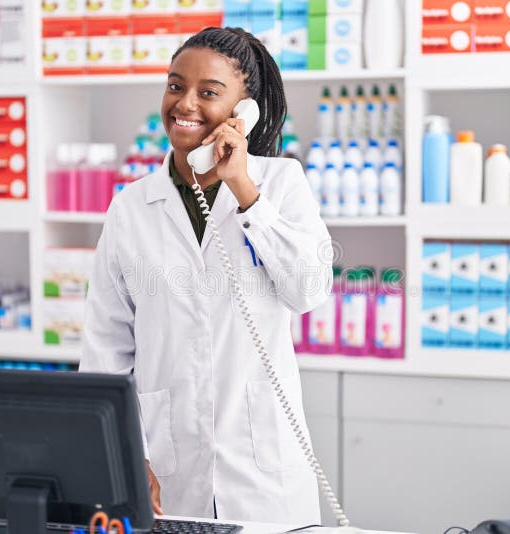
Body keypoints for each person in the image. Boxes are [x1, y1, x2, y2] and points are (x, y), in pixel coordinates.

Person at [80, 27, 332, 524]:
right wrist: (123, 455)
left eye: (209, 92)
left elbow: (308, 290)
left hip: (263, 468)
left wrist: (243, 188)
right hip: (165, 469)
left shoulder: (280, 185)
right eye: (176, 86)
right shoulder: (131, 207)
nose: (185, 103)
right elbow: (105, 350)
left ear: (244, 110)